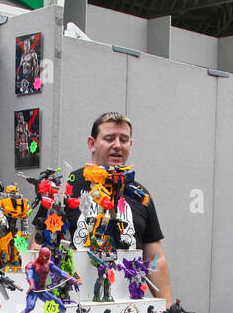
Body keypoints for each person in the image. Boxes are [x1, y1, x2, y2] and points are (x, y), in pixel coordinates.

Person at [63, 113, 170, 299]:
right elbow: (39, 246)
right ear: (92, 143)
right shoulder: (68, 186)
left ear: (130, 144)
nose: (118, 145)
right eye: (109, 138)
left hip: (126, 302)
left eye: (124, 140)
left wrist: (168, 312)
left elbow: (155, 258)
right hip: (75, 301)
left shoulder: (139, 194)